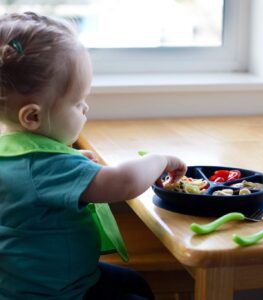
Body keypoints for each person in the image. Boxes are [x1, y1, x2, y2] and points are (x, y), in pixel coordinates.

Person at [0, 12, 187, 300]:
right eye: (77, 103)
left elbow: (40, 179)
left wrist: (72, 163)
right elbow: (123, 182)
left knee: (133, 282)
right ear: (33, 116)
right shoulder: (45, 168)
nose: (85, 109)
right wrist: (160, 159)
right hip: (54, 294)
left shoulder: (14, 150)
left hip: (32, 281)